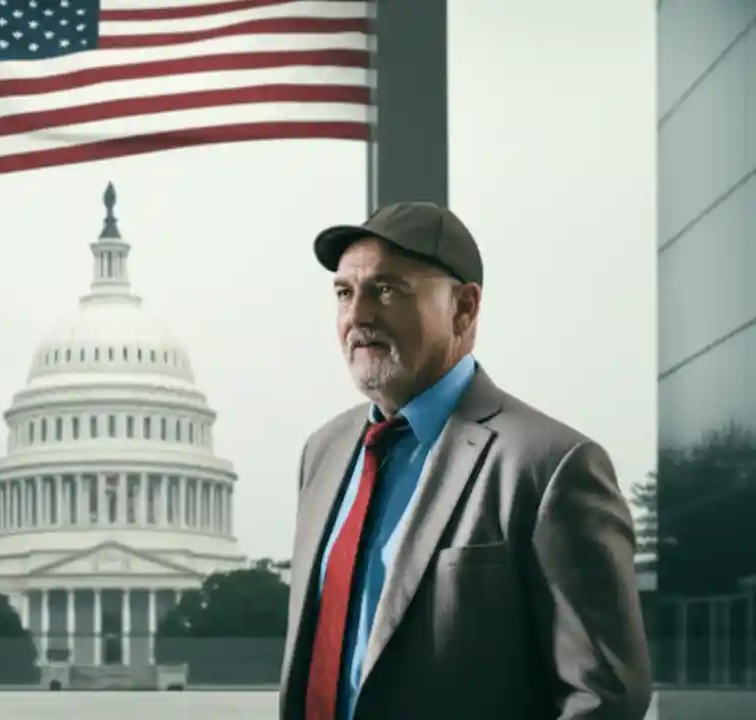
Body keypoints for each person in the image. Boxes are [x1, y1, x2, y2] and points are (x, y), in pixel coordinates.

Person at [278, 202, 652, 719]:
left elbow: (604, 696)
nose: (357, 316)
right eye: (345, 293)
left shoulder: (551, 466)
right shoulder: (323, 452)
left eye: (386, 290)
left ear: (464, 308)